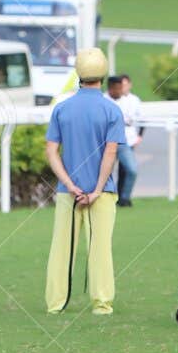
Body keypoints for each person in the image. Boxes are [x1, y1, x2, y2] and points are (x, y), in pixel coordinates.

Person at [44, 47, 125, 315]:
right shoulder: (112, 110)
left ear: (79, 73)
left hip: (68, 193)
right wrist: (97, 189)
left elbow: (51, 152)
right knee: (100, 249)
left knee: (61, 248)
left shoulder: (62, 109)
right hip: (101, 193)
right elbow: (110, 153)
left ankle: (55, 304)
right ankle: (101, 304)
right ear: (102, 74)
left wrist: (69, 184)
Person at [107, 74, 143, 207]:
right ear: (111, 88)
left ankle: (124, 198)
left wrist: (139, 135)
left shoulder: (128, 100)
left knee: (131, 170)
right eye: (118, 88)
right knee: (105, 173)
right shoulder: (104, 100)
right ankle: (106, 198)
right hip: (107, 143)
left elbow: (137, 119)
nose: (120, 91)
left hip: (124, 142)